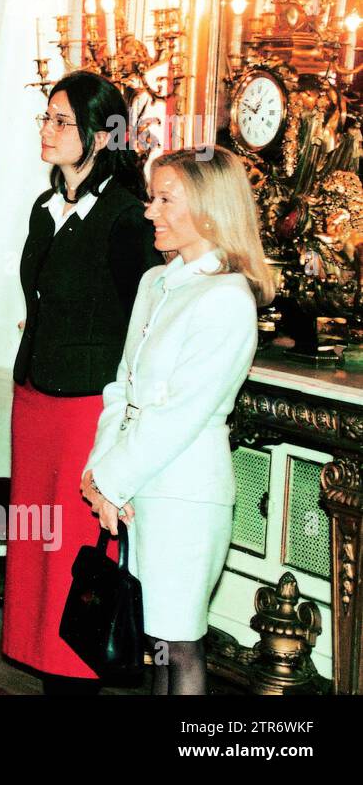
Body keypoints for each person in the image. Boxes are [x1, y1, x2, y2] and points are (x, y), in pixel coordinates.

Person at [81, 146, 275, 696]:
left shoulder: (227, 299)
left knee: (180, 642)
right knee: (155, 641)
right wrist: (100, 472)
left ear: (210, 207)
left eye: (166, 199)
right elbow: (123, 387)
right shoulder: (155, 283)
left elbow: (181, 414)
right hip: (139, 485)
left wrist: (113, 478)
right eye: (152, 198)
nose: (150, 211)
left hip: (185, 494)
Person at [2, 71, 161, 695]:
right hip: (34, 398)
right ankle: (44, 670)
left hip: (86, 409)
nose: (47, 129)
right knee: (35, 550)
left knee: (74, 551)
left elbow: (143, 320)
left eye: (61, 121)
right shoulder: (44, 209)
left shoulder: (125, 215)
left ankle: (73, 682)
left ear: (99, 135)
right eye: (45, 117)